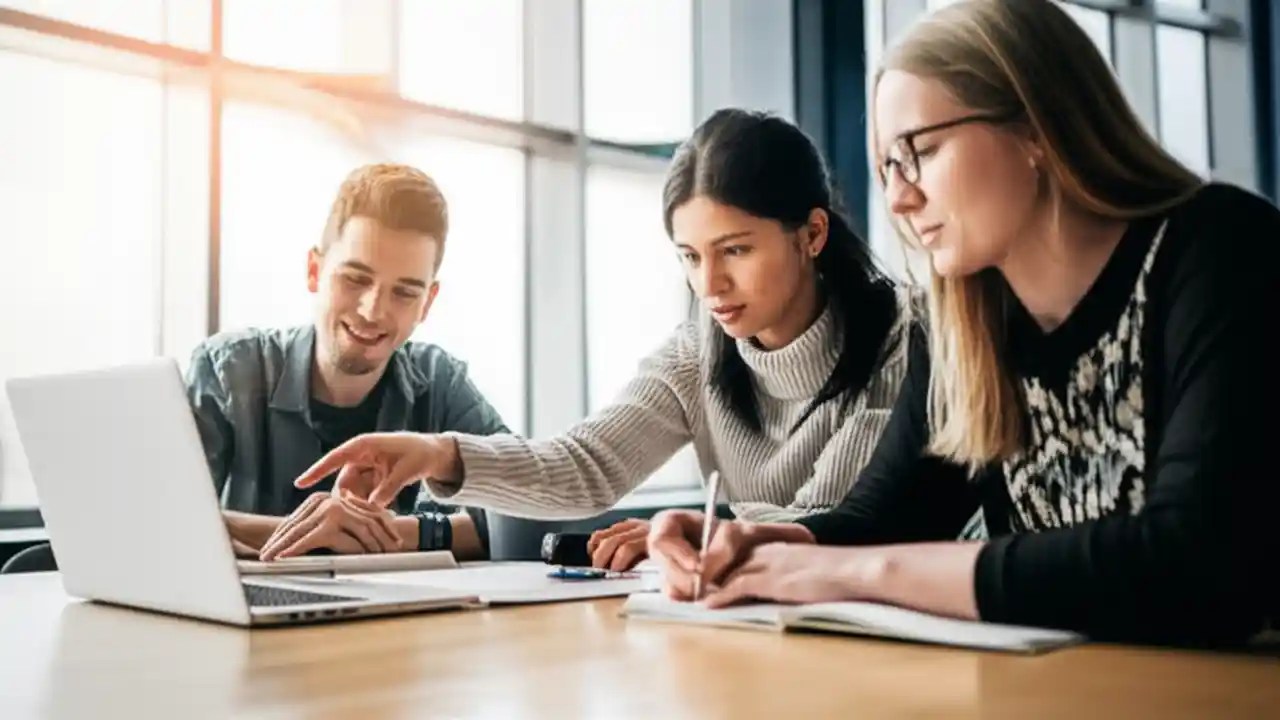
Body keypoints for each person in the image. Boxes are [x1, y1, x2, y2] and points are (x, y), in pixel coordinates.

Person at [640, 0, 1280, 645]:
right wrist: (758, 543)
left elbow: (1198, 562)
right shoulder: (961, 321)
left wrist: (855, 571)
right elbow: (890, 516)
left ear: (1035, 126)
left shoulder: (1223, 250)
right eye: (888, 165)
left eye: (919, 151)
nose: (897, 197)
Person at [291, 109, 916, 571]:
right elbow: (584, 466)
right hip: (751, 612)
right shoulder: (697, 351)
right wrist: (437, 455)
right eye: (690, 257)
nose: (711, 283)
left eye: (736, 250)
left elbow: (833, 515)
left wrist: (693, 530)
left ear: (811, 234)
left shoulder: (900, 337)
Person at [186, 163, 506, 562]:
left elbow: (524, 518)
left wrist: (388, 533)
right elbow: (163, 521)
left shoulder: (441, 382)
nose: (373, 311)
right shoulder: (227, 371)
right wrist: (331, 531)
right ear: (314, 271)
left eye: (404, 293)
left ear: (428, 302)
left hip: (404, 621)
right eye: (355, 279)